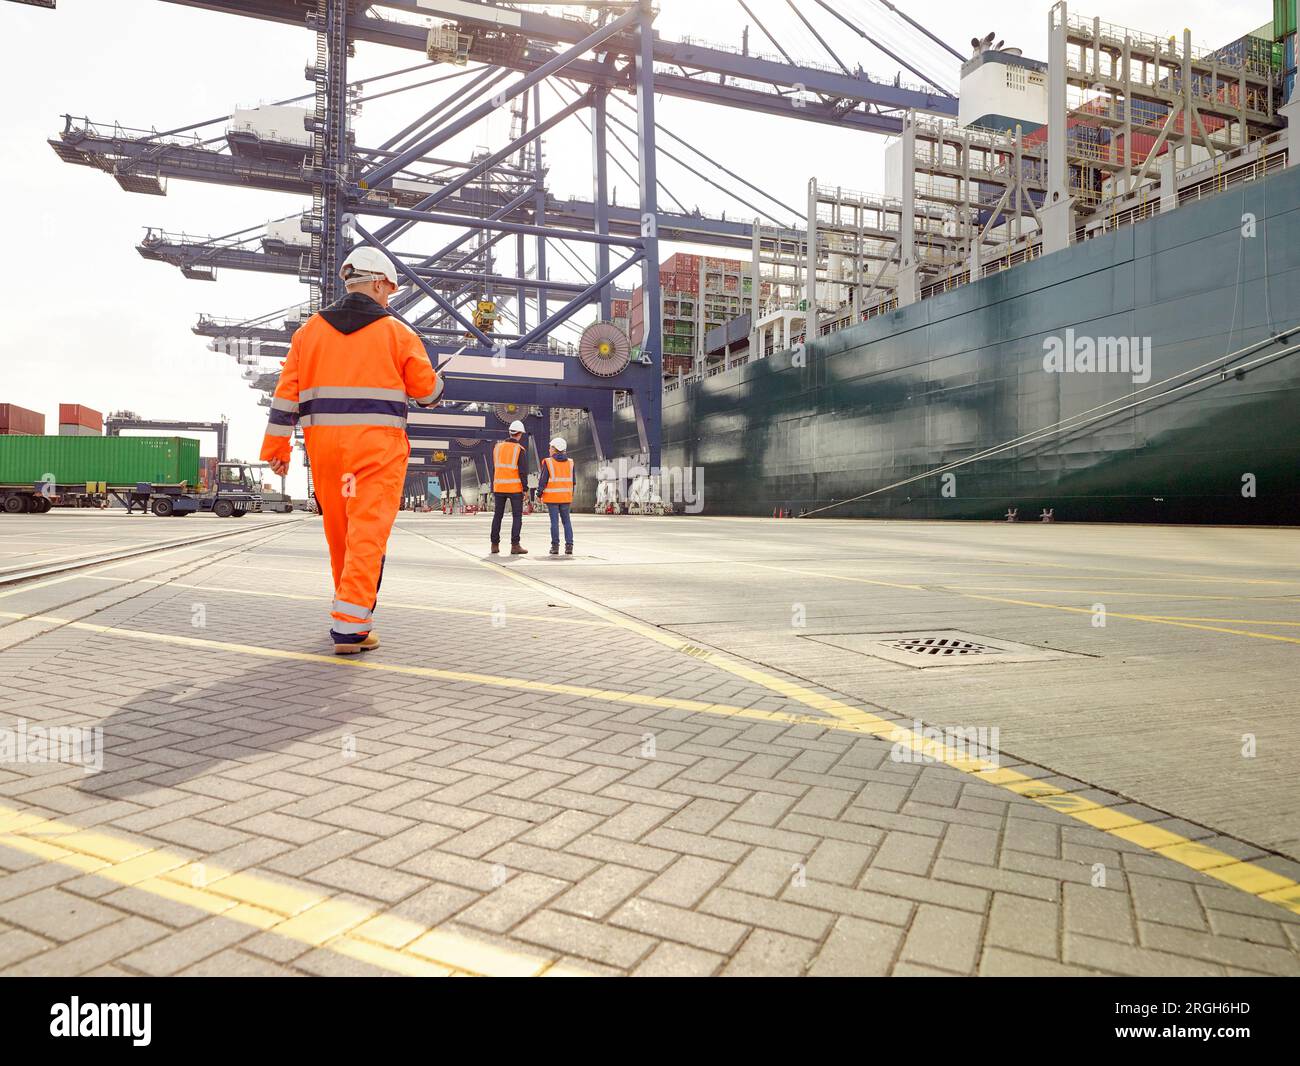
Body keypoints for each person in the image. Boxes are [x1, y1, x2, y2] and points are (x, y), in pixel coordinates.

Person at [260, 246, 442, 654]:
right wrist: (439, 383)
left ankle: (353, 617)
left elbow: (285, 395)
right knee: (367, 536)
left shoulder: (308, 333)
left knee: (340, 534)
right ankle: (349, 627)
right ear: (378, 283)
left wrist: (277, 449)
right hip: (376, 453)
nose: (389, 297)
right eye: (389, 289)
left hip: (326, 454)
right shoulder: (398, 333)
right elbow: (427, 392)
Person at [489, 420, 529, 555]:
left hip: (499, 487)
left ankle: (494, 545)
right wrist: (525, 489)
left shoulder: (497, 448)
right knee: (517, 517)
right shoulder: (519, 450)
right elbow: (522, 471)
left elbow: (494, 468)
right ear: (520, 435)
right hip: (514, 489)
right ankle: (515, 545)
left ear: (510, 432)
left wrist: (493, 486)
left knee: (497, 516)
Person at [538, 436, 574, 555]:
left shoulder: (548, 462)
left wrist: (539, 494)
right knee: (566, 522)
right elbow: (573, 481)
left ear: (554, 449)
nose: (549, 449)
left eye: (550, 447)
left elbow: (543, 480)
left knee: (554, 522)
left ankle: (555, 547)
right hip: (565, 497)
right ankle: (569, 546)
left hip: (552, 498)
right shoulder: (570, 463)